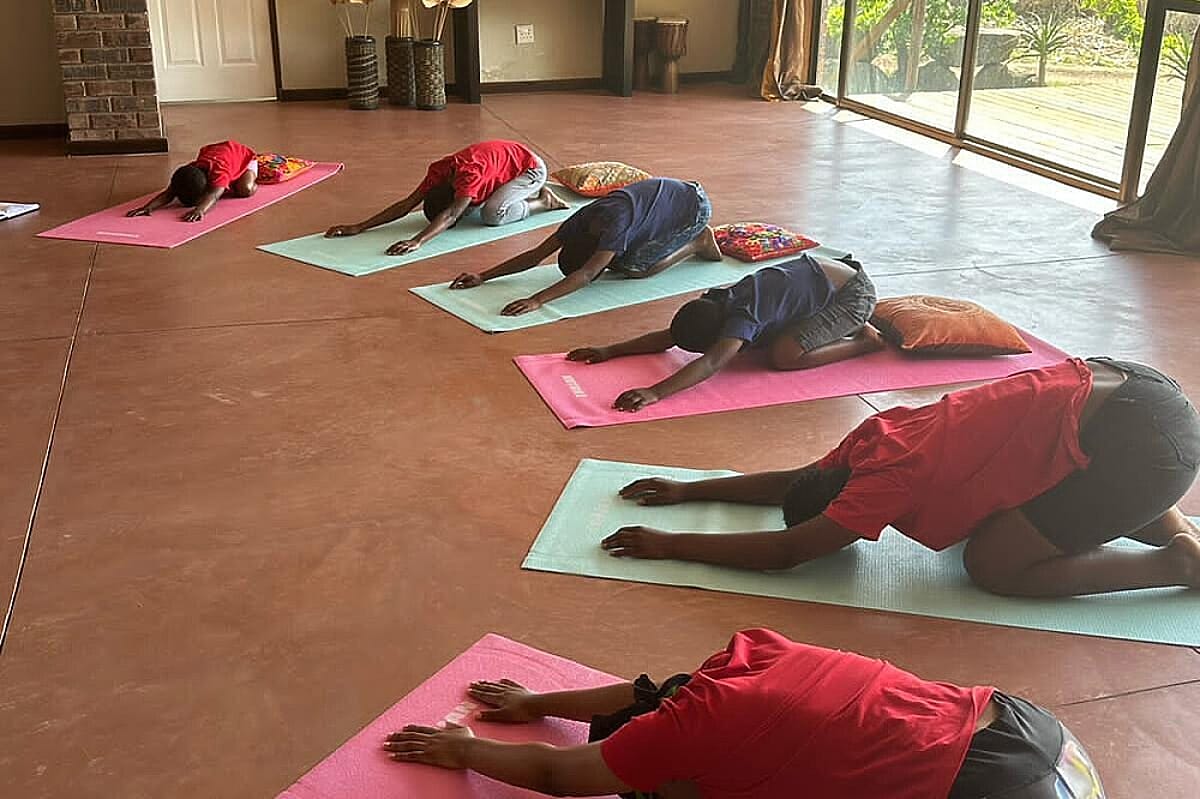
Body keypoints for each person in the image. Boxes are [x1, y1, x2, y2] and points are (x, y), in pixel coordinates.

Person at [602, 358, 1200, 597]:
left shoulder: (886, 485)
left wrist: (670, 546)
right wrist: (688, 490)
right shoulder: (874, 439)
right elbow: (794, 480)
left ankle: (1175, 564)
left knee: (990, 562)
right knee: (1018, 502)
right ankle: (1167, 524)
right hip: (1138, 389)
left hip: (1148, 449)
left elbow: (788, 550)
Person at [382, 628, 1106, 798]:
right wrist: (536, 703)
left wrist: (464, 749)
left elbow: (558, 774)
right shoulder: (755, 658)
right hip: (1034, 731)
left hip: (997, 789)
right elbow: (646, 692)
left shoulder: (696, 729)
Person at [566, 253, 882, 412]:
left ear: (721, 333)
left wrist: (656, 392)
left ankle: (865, 340)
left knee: (783, 355)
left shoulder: (744, 315)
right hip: (825, 279)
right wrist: (610, 350)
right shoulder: (719, 302)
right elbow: (669, 336)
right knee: (767, 339)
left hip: (853, 295)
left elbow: (713, 362)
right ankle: (841, 326)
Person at [449, 177, 722, 317]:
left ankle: (697, 242)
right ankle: (687, 239)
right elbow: (535, 255)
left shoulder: (614, 228)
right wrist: (483, 276)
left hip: (693, 208)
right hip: (670, 196)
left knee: (635, 268)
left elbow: (587, 274)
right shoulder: (581, 221)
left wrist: (537, 300)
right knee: (622, 258)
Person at [324, 139, 566, 255]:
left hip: (530, 169)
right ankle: (509, 192)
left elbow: (451, 214)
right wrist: (359, 227)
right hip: (505, 162)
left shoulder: (470, 176)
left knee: (492, 215)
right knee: (474, 206)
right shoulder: (439, 171)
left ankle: (543, 201)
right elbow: (407, 204)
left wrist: (417, 241)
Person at [126, 140, 258, 223]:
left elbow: (213, 195)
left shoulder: (219, 172)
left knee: (244, 189)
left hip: (244, 157)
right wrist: (148, 208)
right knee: (221, 185)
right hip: (220, 152)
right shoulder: (189, 170)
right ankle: (231, 179)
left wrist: (199, 210)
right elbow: (169, 193)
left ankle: (255, 175)